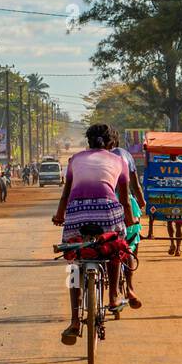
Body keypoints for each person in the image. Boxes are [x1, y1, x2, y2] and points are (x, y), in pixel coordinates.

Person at [51, 123, 138, 344]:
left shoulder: (75, 160)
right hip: (107, 211)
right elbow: (126, 200)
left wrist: (60, 216)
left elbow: (65, 195)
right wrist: (129, 219)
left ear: (88, 141)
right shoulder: (120, 161)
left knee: (74, 259)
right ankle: (113, 297)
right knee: (116, 248)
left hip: (76, 213)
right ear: (111, 143)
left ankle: (73, 320)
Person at [108, 128, 145, 303]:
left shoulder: (94, 157)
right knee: (130, 246)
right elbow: (135, 185)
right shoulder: (126, 156)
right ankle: (130, 288)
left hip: (105, 204)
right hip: (126, 203)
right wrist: (142, 202)